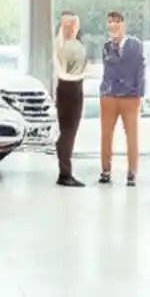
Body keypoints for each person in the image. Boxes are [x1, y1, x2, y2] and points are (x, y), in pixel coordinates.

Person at [97, 10, 145, 186]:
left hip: (130, 96)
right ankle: (105, 170)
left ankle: (132, 172)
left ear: (123, 24)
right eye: (109, 22)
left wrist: (139, 92)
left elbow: (139, 69)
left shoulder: (135, 45)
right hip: (109, 95)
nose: (112, 25)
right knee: (106, 135)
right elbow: (109, 65)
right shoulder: (107, 46)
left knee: (131, 135)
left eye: (116, 22)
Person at [52, 11, 86, 187]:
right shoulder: (71, 46)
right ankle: (65, 173)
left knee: (65, 131)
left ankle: (64, 170)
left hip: (64, 88)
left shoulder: (60, 44)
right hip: (72, 88)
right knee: (69, 132)